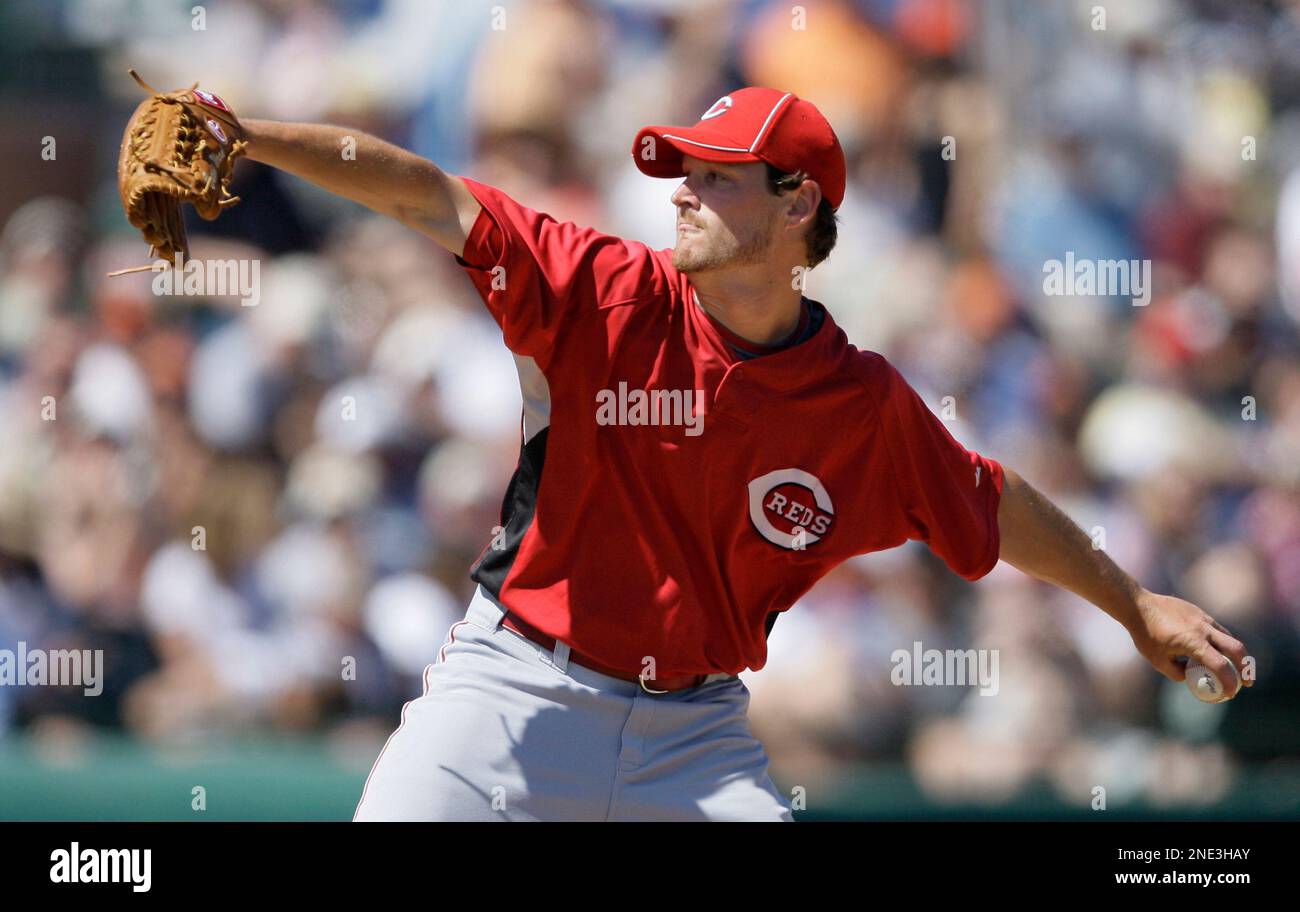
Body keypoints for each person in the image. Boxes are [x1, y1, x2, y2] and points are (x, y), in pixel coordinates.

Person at [238, 87, 1252, 821]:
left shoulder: (859, 403)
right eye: (683, 172)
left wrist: (1133, 606)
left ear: (797, 204)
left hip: (692, 740)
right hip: (511, 694)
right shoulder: (602, 290)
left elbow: (991, 505)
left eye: (716, 177)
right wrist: (247, 136)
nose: (681, 193)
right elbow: (426, 195)